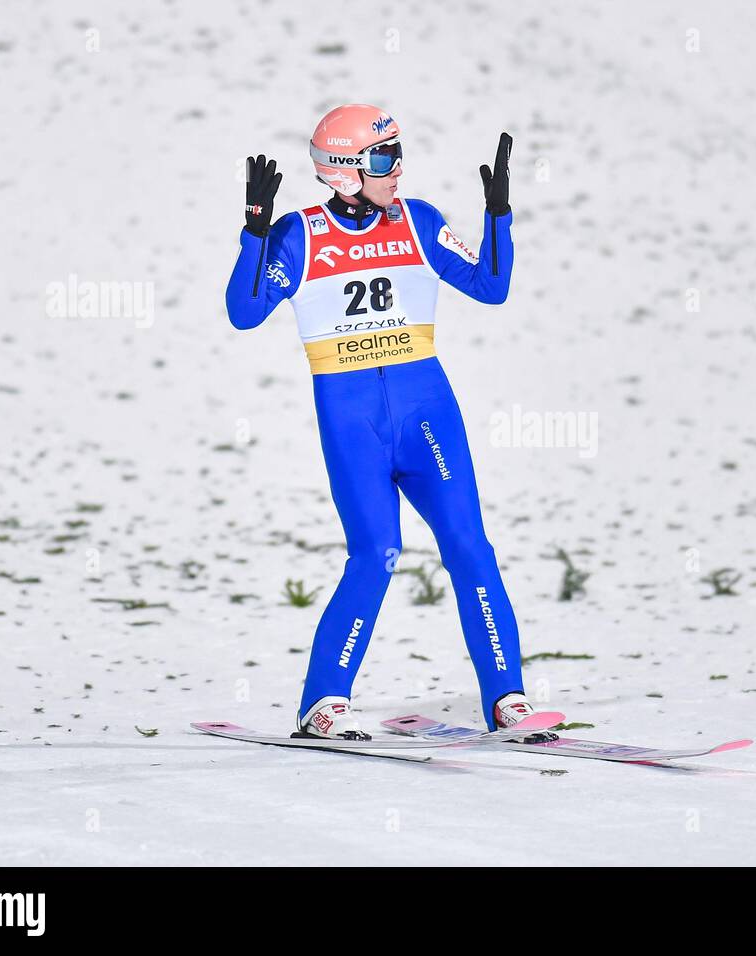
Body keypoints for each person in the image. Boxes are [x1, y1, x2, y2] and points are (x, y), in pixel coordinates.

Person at [224, 104, 539, 740]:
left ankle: (508, 699)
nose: (397, 168)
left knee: (470, 547)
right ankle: (324, 703)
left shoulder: (418, 221)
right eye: (384, 157)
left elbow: (492, 287)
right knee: (377, 554)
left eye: (398, 153)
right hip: (354, 425)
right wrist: (255, 233)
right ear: (344, 171)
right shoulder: (301, 235)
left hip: (428, 418)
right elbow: (244, 311)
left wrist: (499, 215)